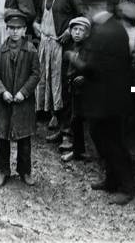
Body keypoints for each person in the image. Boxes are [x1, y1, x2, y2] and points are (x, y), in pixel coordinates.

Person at [73, 0, 135, 205]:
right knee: (106, 140)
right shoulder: (114, 28)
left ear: (91, 8)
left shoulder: (102, 32)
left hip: (108, 101)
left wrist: (74, 59)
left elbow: (91, 68)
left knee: (113, 143)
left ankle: (127, 187)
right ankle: (111, 180)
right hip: (112, 98)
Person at [0, 9, 41, 187]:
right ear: (7, 29)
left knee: (24, 138)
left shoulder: (31, 50)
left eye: (18, 28)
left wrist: (23, 92)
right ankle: (1, 170)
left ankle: (25, 170)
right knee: (2, 137)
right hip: (4, 103)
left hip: (23, 103)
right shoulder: (0, 50)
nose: (14, 31)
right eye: (11, 28)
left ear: (24, 30)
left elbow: (36, 74)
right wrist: (2, 91)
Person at [34, 0, 82, 140]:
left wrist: (70, 31)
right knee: (46, 82)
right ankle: (54, 121)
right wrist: (35, 25)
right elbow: (38, 16)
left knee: (62, 86)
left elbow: (83, 17)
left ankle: (67, 132)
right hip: (45, 46)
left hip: (62, 48)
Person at [59, 16, 92, 163]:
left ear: (87, 33)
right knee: (74, 119)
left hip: (86, 90)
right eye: (75, 30)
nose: (77, 33)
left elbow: (93, 68)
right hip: (73, 88)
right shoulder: (70, 47)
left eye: (81, 30)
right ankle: (78, 150)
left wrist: (86, 78)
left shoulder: (89, 49)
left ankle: (87, 151)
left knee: (85, 120)